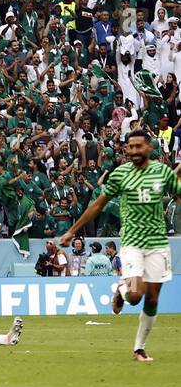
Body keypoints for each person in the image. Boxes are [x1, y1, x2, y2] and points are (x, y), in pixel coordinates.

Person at [62, 129, 179, 362]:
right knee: (135, 296)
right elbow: (98, 206)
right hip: (132, 242)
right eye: (130, 147)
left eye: (138, 146)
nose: (134, 151)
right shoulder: (120, 174)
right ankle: (122, 290)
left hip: (158, 243)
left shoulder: (162, 172)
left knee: (153, 299)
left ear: (149, 147)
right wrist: (72, 230)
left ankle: (139, 348)